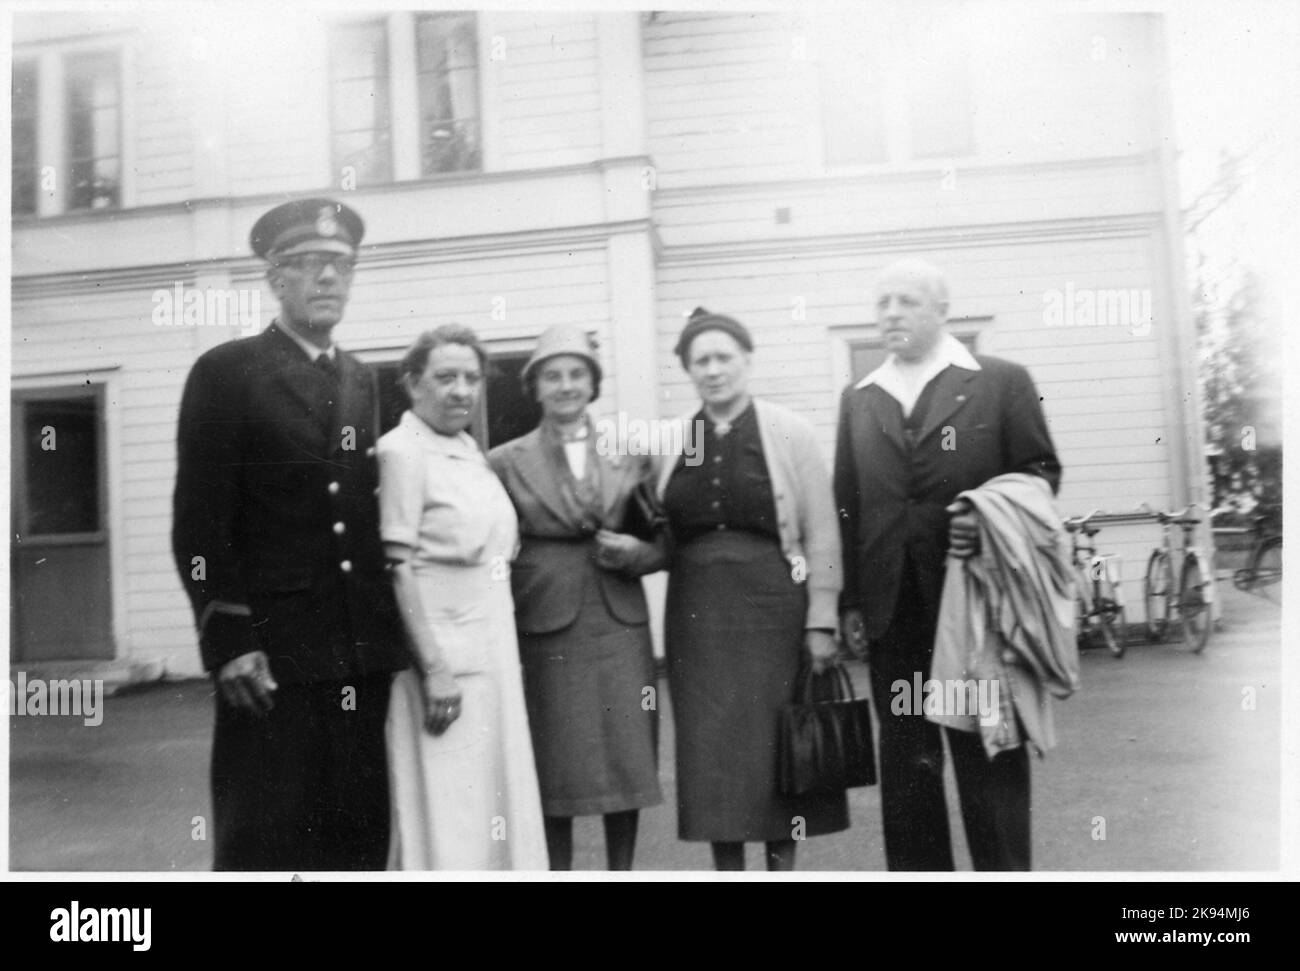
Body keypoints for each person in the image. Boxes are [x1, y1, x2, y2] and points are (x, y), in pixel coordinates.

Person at [172, 197, 408, 870]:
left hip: (357, 652)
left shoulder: (361, 380)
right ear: (276, 278)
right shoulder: (227, 372)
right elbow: (198, 522)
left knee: (357, 839)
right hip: (272, 657)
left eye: (341, 265)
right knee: (265, 840)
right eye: (310, 265)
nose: (329, 278)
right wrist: (230, 638)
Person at [833, 258, 1062, 871]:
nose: (890, 313)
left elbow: (1042, 475)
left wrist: (985, 514)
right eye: (881, 302)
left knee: (988, 747)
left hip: (976, 604)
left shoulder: (1001, 381)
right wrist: (852, 600)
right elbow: (847, 505)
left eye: (906, 300)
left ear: (942, 310)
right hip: (893, 609)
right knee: (908, 760)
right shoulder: (858, 399)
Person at [656, 307, 849, 871]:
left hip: (774, 609)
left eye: (723, 358)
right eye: (701, 361)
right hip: (696, 614)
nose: (713, 371)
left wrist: (822, 617)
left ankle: (780, 868)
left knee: (775, 745)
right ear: (689, 371)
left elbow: (823, 532)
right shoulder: (672, 440)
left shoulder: (790, 432)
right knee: (711, 749)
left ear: (746, 361)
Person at [489, 326, 665, 870]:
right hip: (545, 619)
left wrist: (636, 552)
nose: (565, 385)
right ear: (535, 387)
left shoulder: (630, 453)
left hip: (618, 620)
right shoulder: (504, 461)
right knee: (554, 761)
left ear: (593, 385)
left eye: (576, 374)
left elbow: (664, 540)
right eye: (552, 376)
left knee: (625, 758)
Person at [378, 325, 548, 870]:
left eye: (471, 378)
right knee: (450, 810)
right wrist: (435, 670)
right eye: (445, 377)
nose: (461, 391)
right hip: (444, 664)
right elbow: (397, 568)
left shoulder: (469, 449)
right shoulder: (402, 451)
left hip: (491, 652)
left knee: (490, 800)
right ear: (412, 383)